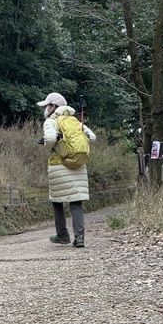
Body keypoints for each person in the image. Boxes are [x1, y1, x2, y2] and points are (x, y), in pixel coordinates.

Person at [37, 91, 97, 248]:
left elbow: (50, 139)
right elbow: (92, 137)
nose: (45, 109)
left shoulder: (52, 121)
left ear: (53, 106)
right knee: (76, 202)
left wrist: (48, 142)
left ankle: (63, 235)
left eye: (47, 105)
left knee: (57, 201)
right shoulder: (75, 122)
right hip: (78, 165)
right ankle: (80, 237)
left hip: (59, 164)